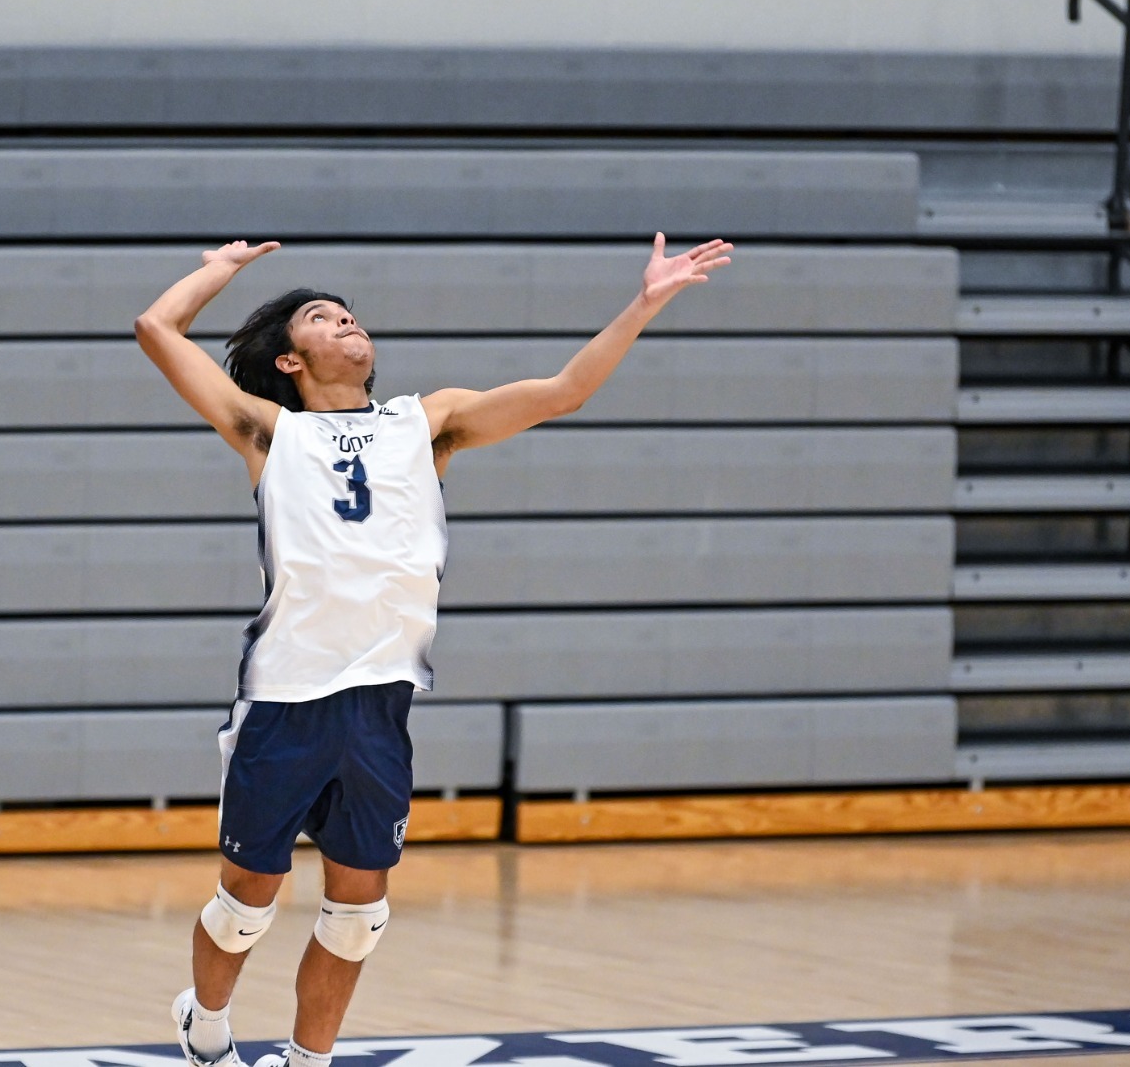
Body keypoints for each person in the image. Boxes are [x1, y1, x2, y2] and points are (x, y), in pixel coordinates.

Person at [134, 233, 732, 1067]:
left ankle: (309, 1065)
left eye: (350, 315)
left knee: (357, 916)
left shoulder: (429, 420)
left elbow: (563, 392)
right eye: (322, 319)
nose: (347, 324)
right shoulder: (267, 431)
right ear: (288, 363)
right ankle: (204, 1028)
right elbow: (156, 331)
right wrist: (215, 275)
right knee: (246, 906)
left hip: (381, 702)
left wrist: (646, 303)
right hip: (286, 697)